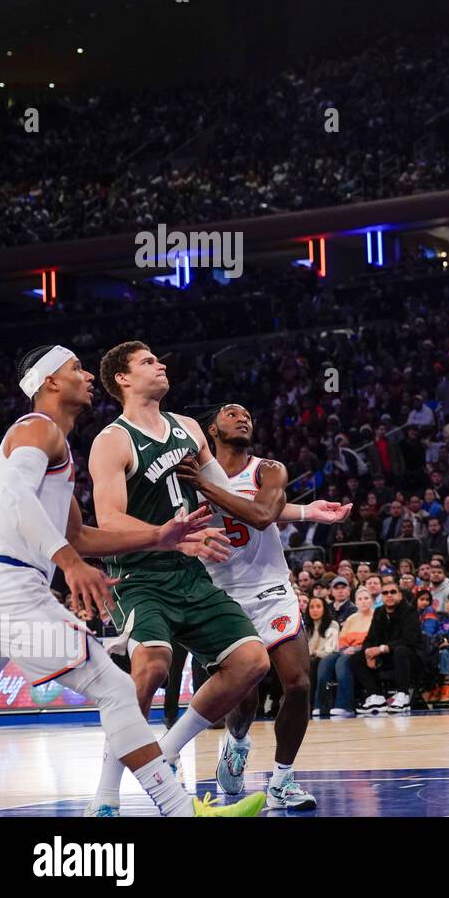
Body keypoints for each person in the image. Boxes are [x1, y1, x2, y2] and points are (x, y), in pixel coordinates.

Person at [0, 346, 260, 818]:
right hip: (14, 588)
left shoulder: (60, 452)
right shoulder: (37, 428)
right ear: (50, 381)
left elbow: (82, 535)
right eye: (76, 369)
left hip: (0, 589)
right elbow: (15, 500)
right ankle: (172, 809)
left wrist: (161, 536)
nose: (87, 375)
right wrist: (68, 563)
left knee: (116, 688)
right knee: (115, 688)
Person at [86, 341, 292, 816]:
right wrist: (166, 536)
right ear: (122, 378)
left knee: (251, 661)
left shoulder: (189, 428)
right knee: (153, 667)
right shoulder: (112, 440)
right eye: (147, 362)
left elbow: (226, 493)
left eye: (159, 359)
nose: (160, 365)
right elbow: (109, 519)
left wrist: (303, 511)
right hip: (138, 574)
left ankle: (168, 749)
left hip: (190, 571)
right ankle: (106, 793)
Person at [176, 403, 350, 811]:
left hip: (271, 587)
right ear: (211, 430)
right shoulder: (186, 474)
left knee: (299, 682)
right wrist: (308, 511)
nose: (243, 417)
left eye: (247, 414)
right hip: (221, 594)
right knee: (245, 695)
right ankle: (236, 743)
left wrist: (204, 486)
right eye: (231, 413)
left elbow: (261, 514)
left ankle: (283, 780)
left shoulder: (269, 469)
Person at [352, 581, 425, 713]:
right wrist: (368, 653)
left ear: (400, 595)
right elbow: (370, 638)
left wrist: (381, 649)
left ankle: (403, 695)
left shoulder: (409, 611)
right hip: (388, 657)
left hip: (412, 658)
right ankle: (376, 696)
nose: (389, 595)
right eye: (385, 593)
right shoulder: (379, 612)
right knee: (356, 658)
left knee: (400, 651)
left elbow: (409, 640)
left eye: (393, 592)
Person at [317, 585, 373, 716]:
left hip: (364, 651)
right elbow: (341, 640)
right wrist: (346, 649)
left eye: (366, 598)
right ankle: (320, 705)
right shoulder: (351, 619)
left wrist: (356, 649)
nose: (363, 601)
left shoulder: (375, 617)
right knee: (325, 661)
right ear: (356, 601)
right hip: (347, 650)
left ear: (371, 600)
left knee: (342, 662)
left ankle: (345, 705)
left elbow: (373, 640)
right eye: (360, 599)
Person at [305, 597, 339, 710]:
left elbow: (330, 650)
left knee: (313, 663)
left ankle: (314, 704)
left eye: (318, 607)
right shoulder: (306, 627)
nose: (315, 610)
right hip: (310, 659)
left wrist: (314, 652)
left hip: (329, 659)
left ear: (324, 609)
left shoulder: (333, 624)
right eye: (311, 607)